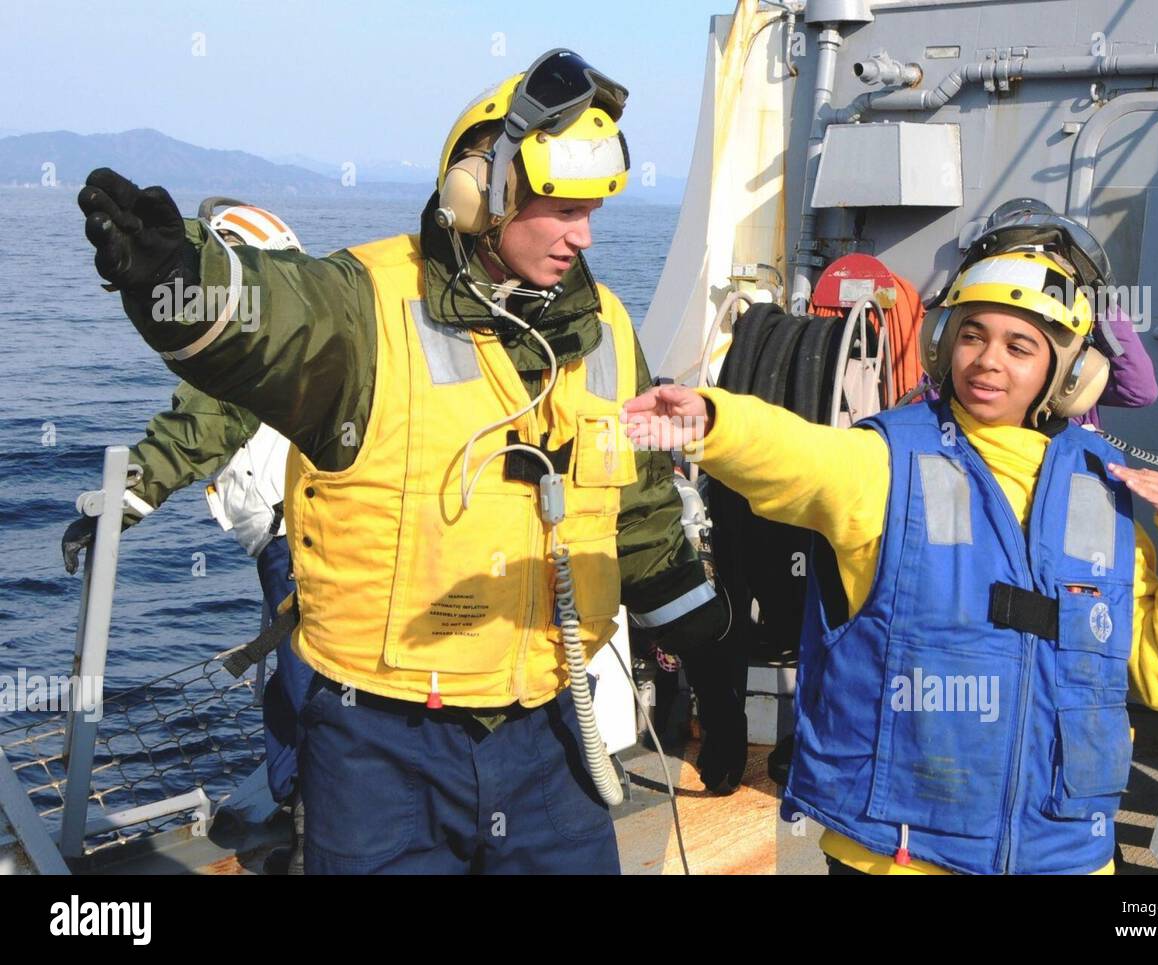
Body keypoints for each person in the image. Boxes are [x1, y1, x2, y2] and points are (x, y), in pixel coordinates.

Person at [76, 48, 726, 875]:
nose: (584, 235)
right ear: (479, 193)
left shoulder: (603, 325)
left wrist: (683, 606)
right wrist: (176, 277)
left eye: (592, 208)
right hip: (380, 746)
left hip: (552, 734)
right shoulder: (368, 302)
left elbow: (630, 492)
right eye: (561, 206)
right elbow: (272, 320)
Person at [625, 247, 1158, 874]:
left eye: (1019, 347)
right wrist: (714, 423)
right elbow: (800, 456)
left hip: (1067, 856)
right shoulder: (889, 461)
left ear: (1066, 373)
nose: (988, 360)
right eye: (972, 335)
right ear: (943, 345)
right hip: (900, 856)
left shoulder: (1102, 490)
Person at [61, 199, 313, 874]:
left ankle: (319, 834)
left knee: (310, 697)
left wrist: (120, 505)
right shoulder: (315, 330)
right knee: (302, 693)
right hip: (306, 544)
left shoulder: (252, 340)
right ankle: (307, 819)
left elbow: (199, 426)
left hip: (302, 551)